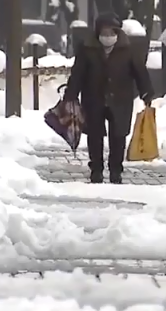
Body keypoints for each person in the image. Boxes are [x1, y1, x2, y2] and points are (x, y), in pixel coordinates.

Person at [63, 14, 154, 184]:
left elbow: (140, 72)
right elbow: (78, 73)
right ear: (98, 33)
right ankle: (96, 170)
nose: (108, 36)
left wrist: (146, 92)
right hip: (93, 98)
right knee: (94, 135)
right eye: (104, 32)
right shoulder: (87, 48)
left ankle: (115, 170)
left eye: (112, 32)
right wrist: (71, 94)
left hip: (120, 99)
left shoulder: (128, 49)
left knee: (118, 136)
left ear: (117, 32)